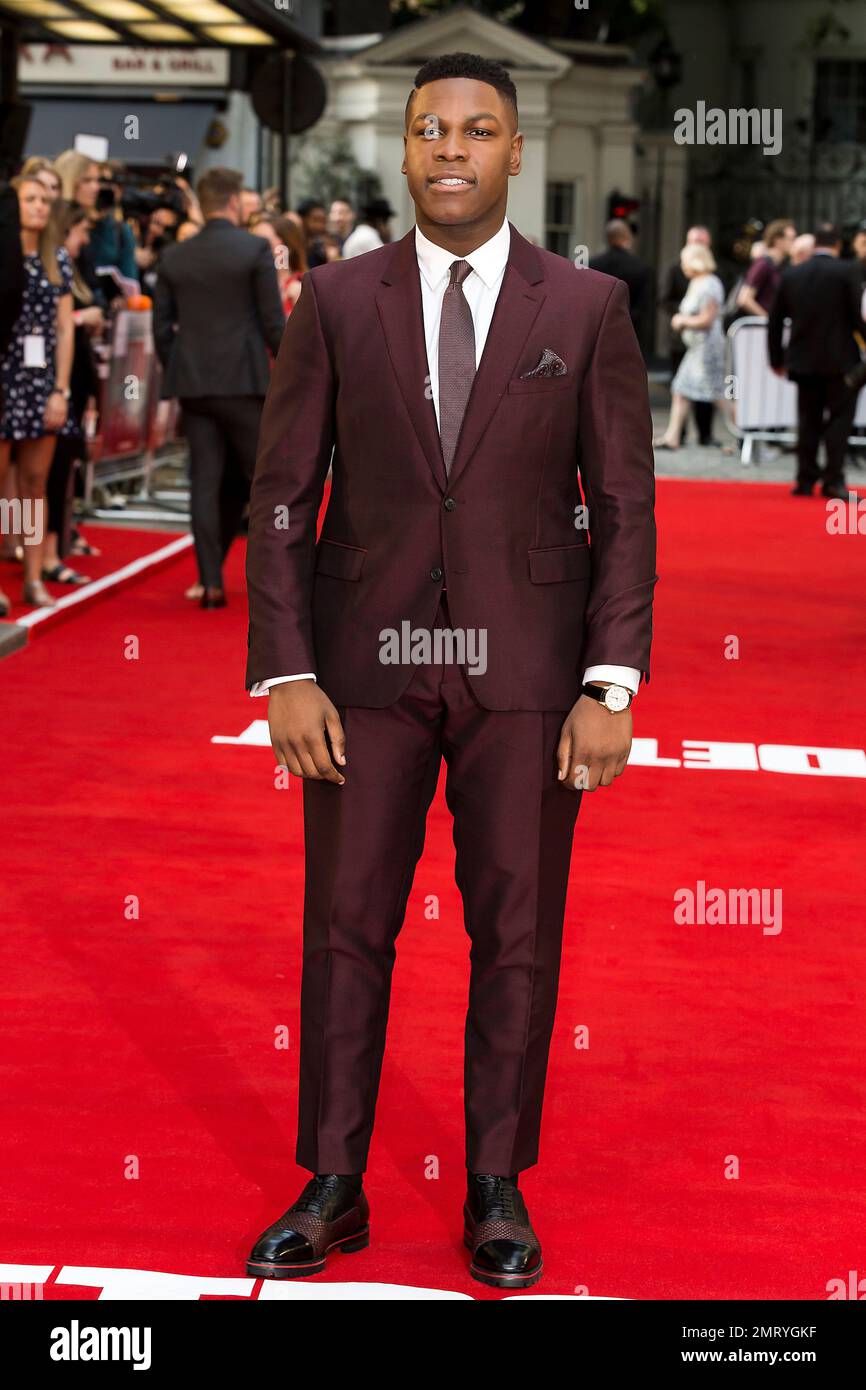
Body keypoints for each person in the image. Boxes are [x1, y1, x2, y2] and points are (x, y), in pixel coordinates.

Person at [244, 51, 656, 1290]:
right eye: (430, 129)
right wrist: (285, 674)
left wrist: (609, 683)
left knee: (515, 936)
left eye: (479, 130)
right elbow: (279, 498)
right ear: (406, 147)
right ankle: (332, 1182)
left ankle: (494, 1185)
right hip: (360, 670)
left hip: (526, 674)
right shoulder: (335, 296)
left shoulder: (585, 307)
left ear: (515, 150)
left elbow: (624, 509)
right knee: (343, 927)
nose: (452, 150)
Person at [153, 166, 285, 608]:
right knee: (266, 483)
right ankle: (281, 582)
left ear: (202, 203)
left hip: (196, 387)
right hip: (245, 385)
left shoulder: (174, 256)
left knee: (206, 481)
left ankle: (209, 582)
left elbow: (160, 330)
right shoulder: (253, 250)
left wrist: (180, 366)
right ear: (234, 203)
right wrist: (296, 373)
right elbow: (272, 324)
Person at [0, 175, 74, 612]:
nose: (39, 207)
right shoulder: (4, 255)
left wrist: (61, 388)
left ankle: (32, 576)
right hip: (3, 377)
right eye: (30, 199)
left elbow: (64, 328)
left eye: (45, 200)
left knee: (34, 485)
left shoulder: (57, 259)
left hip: (40, 381)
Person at [768, 222, 862, 500]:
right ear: (837, 245)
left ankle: (805, 479)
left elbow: (774, 321)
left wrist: (776, 358)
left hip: (803, 361)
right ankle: (834, 480)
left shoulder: (793, 273)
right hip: (841, 361)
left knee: (807, 420)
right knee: (839, 421)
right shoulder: (848, 271)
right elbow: (857, 317)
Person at [654, 242, 727, 450]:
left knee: (718, 395)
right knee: (680, 388)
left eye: (685, 261)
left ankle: (745, 432)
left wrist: (682, 321)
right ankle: (673, 436)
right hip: (696, 348)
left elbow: (707, 319)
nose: (682, 266)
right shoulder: (697, 282)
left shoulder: (710, 283)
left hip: (707, 349)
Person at [660, 225, 714, 444]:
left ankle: (706, 434)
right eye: (694, 241)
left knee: (710, 391)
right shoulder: (676, 268)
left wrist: (685, 318)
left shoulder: (711, 277)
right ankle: (677, 435)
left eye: (702, 242)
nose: (697, 246)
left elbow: (710, 315)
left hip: (703, 342)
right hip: (681, 340)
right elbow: (664, 299)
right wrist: (680, 317)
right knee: (681, 387)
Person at [589, 217, 650, 346]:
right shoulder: (640, 267)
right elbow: (642, 305)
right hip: (629, 331)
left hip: (598, 331)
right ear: (627, 237)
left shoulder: (593, 264)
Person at [736, 218, 795, 317]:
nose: (794, 243)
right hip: (757, 329)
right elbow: (744, 299)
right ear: (778, 240)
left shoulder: (779, 266)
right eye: (791, 239)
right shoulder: (763, 264)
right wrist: (768, 320)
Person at [296, 198, 329, 268]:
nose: (320, 226)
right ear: (302, 219)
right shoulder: (295, 246)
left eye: (323, 221)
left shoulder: (322, 244)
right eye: (315, 220)